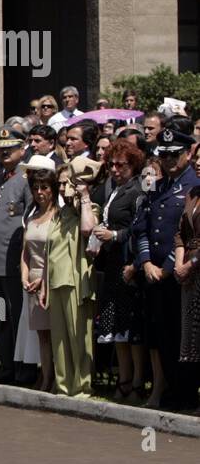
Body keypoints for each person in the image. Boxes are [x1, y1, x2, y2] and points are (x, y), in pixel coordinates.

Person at [129, 127, 200, 409]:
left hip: (181, 275)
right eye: (165, 155)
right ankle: (172, 390)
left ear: (187, 154)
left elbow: (184, 233)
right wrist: (146, 262)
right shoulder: (156, 187)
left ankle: (186, 393)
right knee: (163, 336)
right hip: (154, 274)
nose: (169, 161)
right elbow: (142, 227)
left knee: (185, 337)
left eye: (175, 155)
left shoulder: (193, 185)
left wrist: (171, 266)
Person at [93, 142, 146, 401]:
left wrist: (113, 235)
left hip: (129, 263)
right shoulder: (115, 189)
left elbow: (139, 228)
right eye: (111, 164)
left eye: (120, 164)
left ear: (133, 165)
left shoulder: (138, 190)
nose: (114, 169)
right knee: (117, 328)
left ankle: (136, 382)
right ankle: (124, 379)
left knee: (131, 328)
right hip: (112, 263)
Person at [43, 160, 100, 397]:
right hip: (56, 281)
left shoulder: (89, 207)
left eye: (69, 184)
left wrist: (84, 195)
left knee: (79, 337)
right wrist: (45, 286)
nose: (64, 189)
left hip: (76, 281)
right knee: (59, 339)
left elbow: (88, 229)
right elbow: (49, 253)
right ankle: (64, 385)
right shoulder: (59, 213)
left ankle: (82, 386)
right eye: (61, 184)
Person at [0, 127, 35, 386]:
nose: (4, 152)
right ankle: (6, 365)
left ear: (22, 149)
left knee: (18, 318)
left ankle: (21, 368)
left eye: (10, 147)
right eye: (1, 147)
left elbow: (30, 222)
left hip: (15, 262)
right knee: (0, 316)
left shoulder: (26, 179)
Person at [20, 157, 60, 391]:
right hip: (32, 280)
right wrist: (24, 277)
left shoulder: (59, 216)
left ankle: (57, 377)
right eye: (35, 188)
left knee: (56, 334)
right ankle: (45, 377)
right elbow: (25, 252)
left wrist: (42, 279)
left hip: (51, 279)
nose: (39, 192)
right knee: (42, 336)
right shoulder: (32, 216)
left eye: (44, 187)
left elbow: (56, 253)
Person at [173, 145, 200, 407]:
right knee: (191, 336)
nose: (198, 162)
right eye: (197, 157)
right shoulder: (192, 194)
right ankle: (190, 397)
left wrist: (190, 264)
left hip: (196, 268)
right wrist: (180, 260)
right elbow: (181, 232)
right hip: (189, 275)